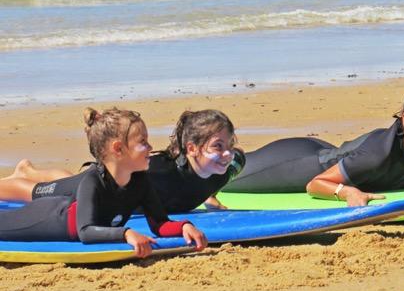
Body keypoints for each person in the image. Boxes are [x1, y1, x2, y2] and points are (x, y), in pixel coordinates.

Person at [0, 108, 207, 258]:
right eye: (142, 142)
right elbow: (86, 231)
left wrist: (184, 227)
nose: (151, 147)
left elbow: (159, 224)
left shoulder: (140, 181)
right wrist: (126, 233)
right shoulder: (93, 181)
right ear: (118, 149)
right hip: (46, 219)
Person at [223, 81, 404, 206]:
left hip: (326, 151)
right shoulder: (377, 156)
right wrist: (347, 193)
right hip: (298, 165)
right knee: (221, 177)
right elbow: (315, 184)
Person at [0, 109, 245, 214]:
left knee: (68, 181)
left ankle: (27, 169)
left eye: (229, 145)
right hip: (104, 185)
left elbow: (205, 181)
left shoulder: (229, 166)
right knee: (39, 193)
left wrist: (210, 195)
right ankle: (21, 180)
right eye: (217, 146)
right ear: (191, 148)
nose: (227, 154)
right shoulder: (158, 169)